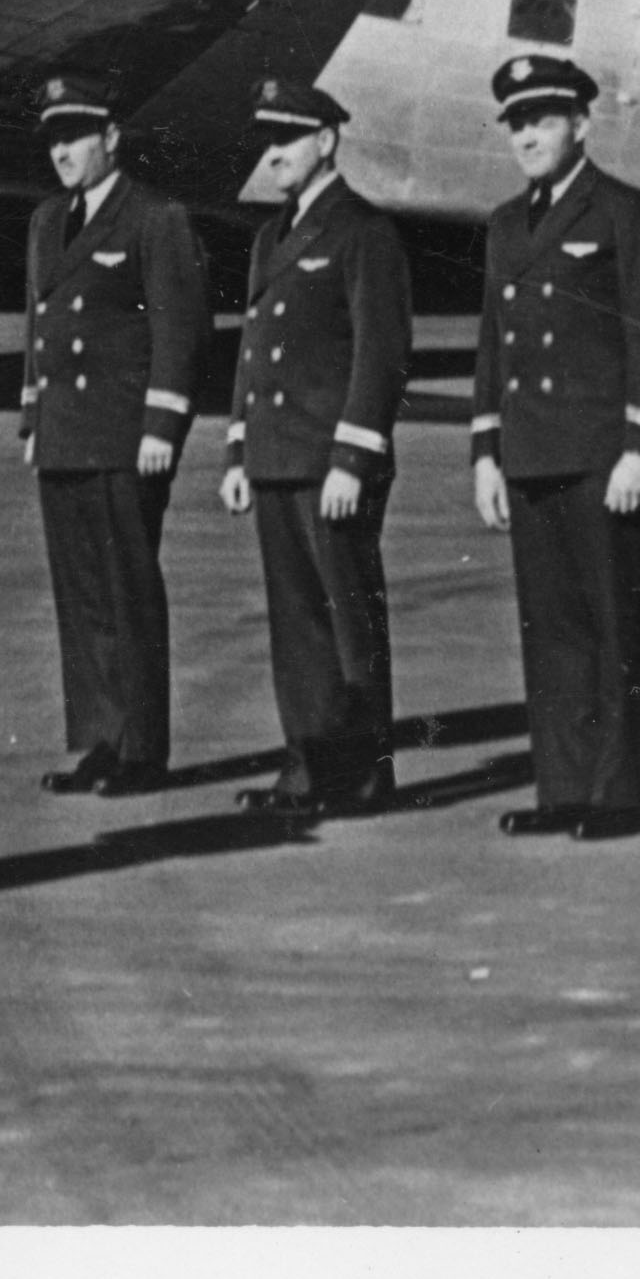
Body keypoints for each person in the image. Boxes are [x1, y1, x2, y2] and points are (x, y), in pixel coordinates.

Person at [465, 52, 640, 838]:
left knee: (613, 625)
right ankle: (563, 787)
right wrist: (485, 450)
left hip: (597, 454)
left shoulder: (623, 211)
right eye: (516, 122)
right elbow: (494, 344)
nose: (527, 135)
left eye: (542, 119)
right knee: (550, 630)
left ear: (581, 124)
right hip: (528, 454)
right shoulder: (505, 223)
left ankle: (616, 793)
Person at [222, 76, 412, 819]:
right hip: (276, 456)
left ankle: (365, 774)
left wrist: (352, 458)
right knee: (296, 624)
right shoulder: (272, 236)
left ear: (326, 140)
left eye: (287, 139)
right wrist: (238, 450)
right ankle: (307, 766)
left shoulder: (363, 231)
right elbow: (252, 351)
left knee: (347, 618)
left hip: (329, 462)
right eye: (266, 142)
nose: (273, 155)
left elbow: (382, 354)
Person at [15, 75, 205, 797]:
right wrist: (33, 413)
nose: (63, 152)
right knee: (83, 596)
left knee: (127, 591)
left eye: (76, 135)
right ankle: (98, 737)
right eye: (54, 139)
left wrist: (164, 422)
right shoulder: (46, 220)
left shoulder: (155, 217)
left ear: (111, 137)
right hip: (64, 433)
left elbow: (177, 329)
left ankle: (141, 748)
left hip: (123, 435)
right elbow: (39, 323)